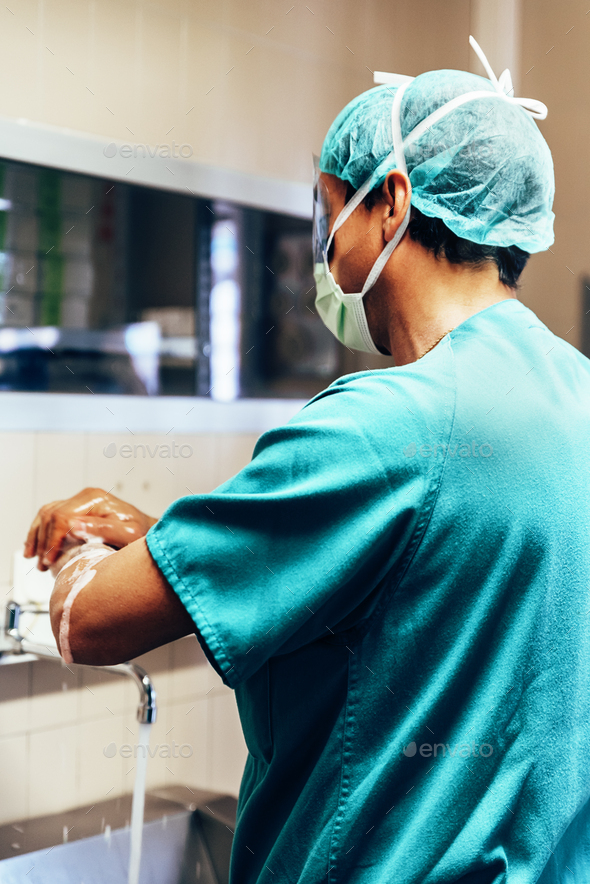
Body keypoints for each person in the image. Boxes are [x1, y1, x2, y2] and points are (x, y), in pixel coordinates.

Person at [24, 37, 590, 884]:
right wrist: (169, 539)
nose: (321, 248)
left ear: (391, 203)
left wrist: (76, 555)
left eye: (329, 213)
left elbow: (90, 623)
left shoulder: (383, 426)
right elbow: (418, 589)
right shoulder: (573, 395)